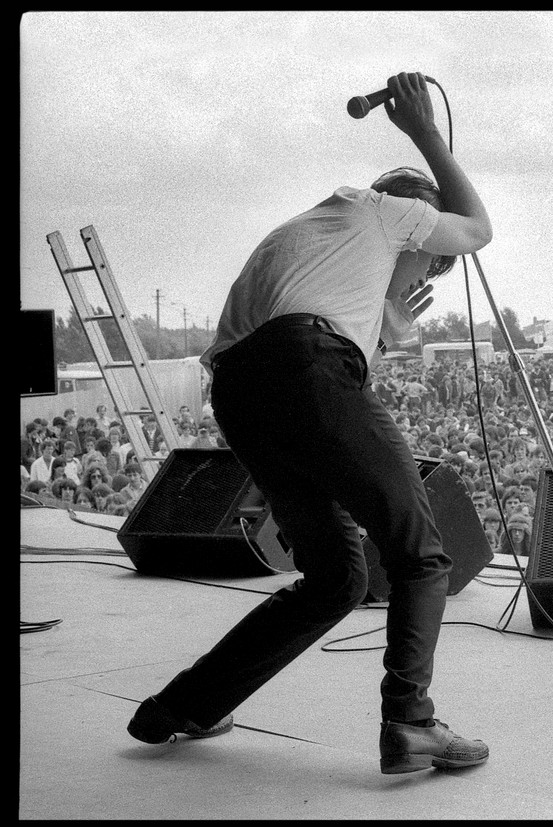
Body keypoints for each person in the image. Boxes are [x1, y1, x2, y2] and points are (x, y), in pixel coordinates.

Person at [127, 72, 493, 775]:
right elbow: (478, 228)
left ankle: (183, 705)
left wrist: (382, 326)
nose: (429, 271)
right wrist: (424, 132)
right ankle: (411, 723)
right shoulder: (392, 210)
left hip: (241, 390)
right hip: (305, 370)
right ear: (415, 218)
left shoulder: (311, 231)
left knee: (334, 577)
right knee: (420, 551)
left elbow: (297, 368)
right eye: (431, 259)